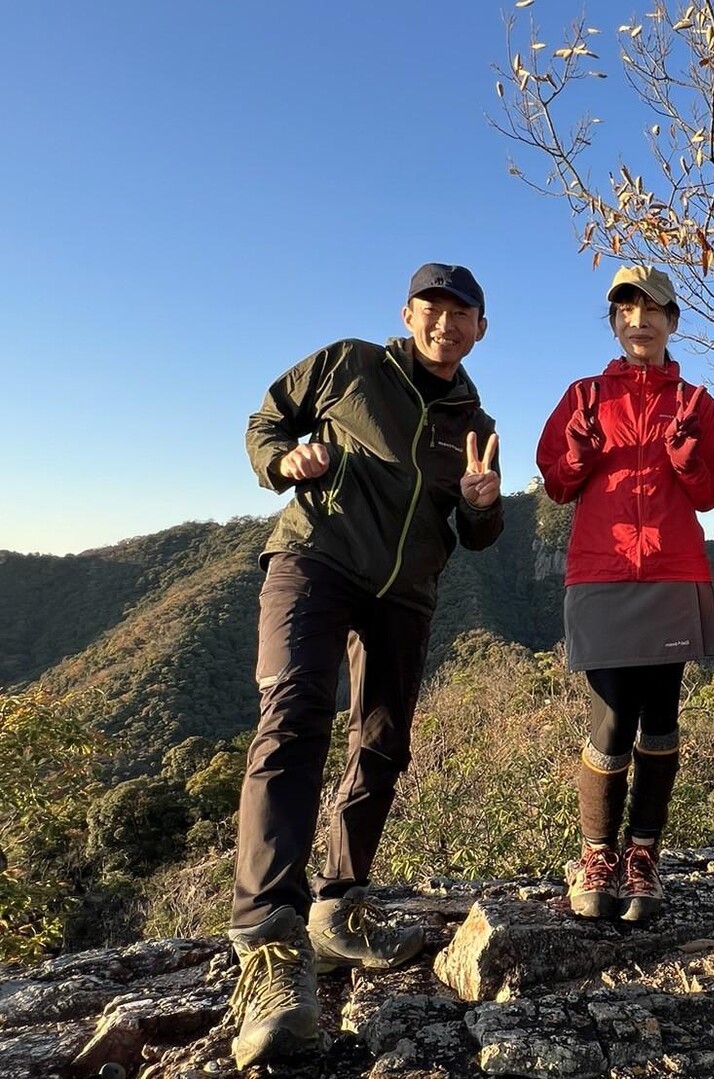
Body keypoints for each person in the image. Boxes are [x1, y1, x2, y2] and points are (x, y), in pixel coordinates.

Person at [227, 263, 503, 1068]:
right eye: (432, 309)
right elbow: (266, 419)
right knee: (294, 717)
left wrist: (483, 502)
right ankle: (268, 941)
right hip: (314, 558)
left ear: (481, 329)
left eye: (462, 314)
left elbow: (479, 533)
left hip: (405, 590)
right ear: (408, 314)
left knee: (382, 743)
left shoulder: (475, 420)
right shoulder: (351, 364)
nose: (445, 324)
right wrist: (285, 461)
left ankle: (337, 904)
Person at [536, 265, 714, 922]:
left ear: (672, 321)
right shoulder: (584, 395)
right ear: (614, 321)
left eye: (652, 310)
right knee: (612, 718)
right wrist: (580, 453)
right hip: (601, 572)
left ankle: (643, 856)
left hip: (672, 571)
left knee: (662, 716)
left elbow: (710, 493)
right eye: (625, 309)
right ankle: (597, 854)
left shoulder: (697, 402)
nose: (638, 320)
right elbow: (557, 483)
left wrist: (685, 458)